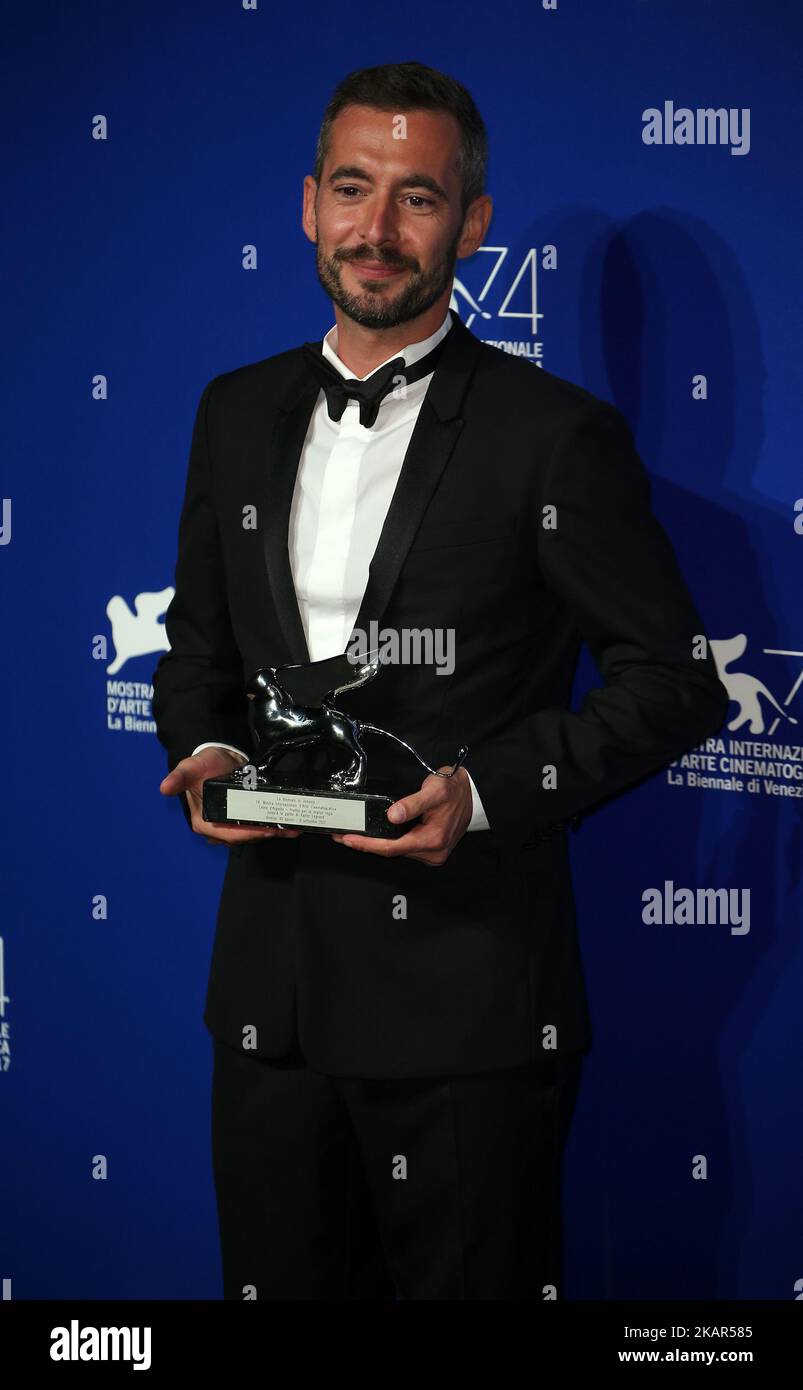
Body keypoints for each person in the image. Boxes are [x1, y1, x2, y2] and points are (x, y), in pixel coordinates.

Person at [152, 60, 729, 1300]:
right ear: (307, 203)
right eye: (352, 188)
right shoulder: (233, 412)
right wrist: (201, 747)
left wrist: (480, 794)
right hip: (270, 999)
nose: (375, 228)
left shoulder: (550, 432)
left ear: (470, 224)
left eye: (417, 198)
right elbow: (198, 644)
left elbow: (674, 680)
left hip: (467, 1009)